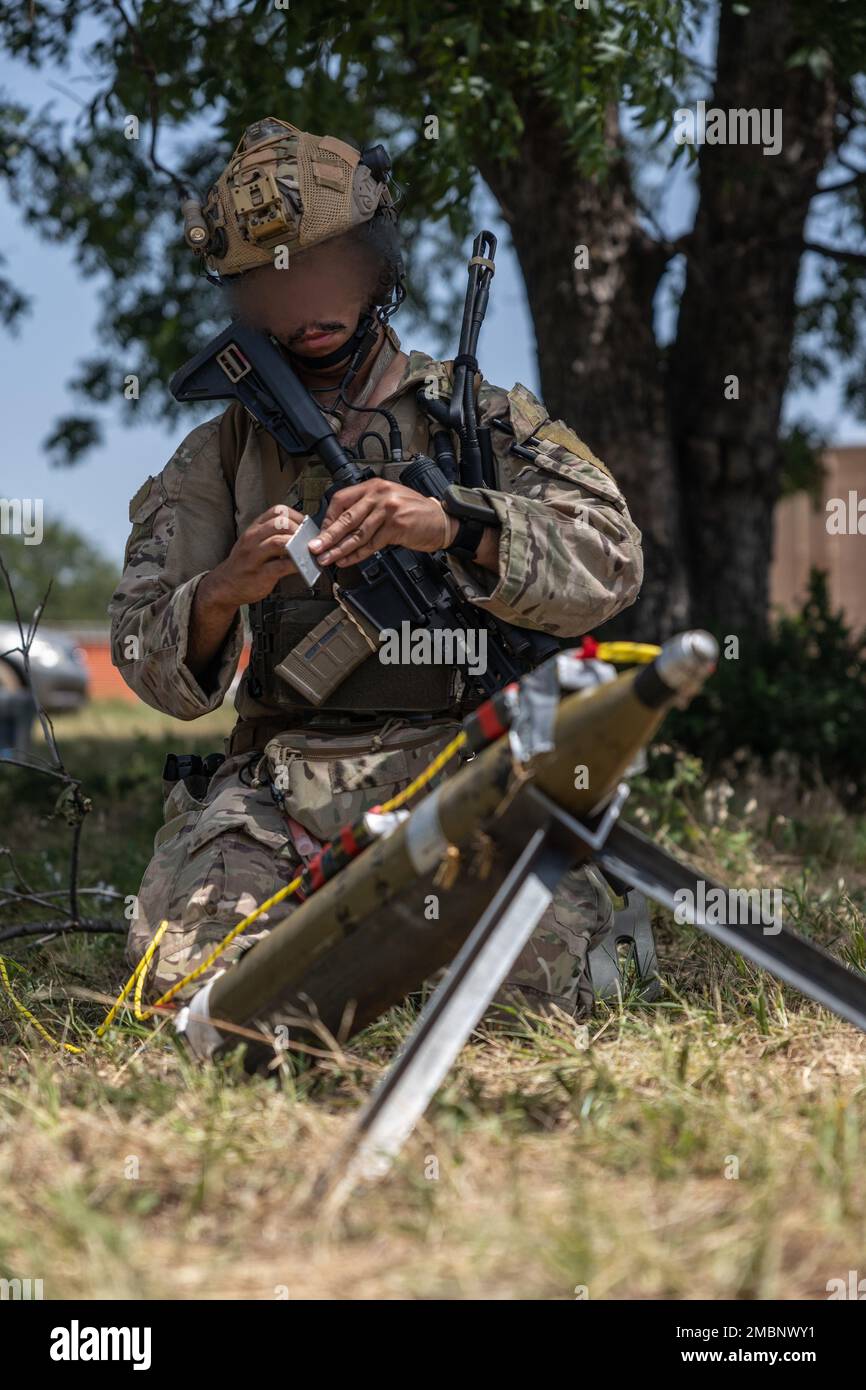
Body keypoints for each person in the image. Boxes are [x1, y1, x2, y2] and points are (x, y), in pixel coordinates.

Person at [110, 117, 644, 1027]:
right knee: (197, 1002)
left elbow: (613, 562)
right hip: (283, 786)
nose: (305, 301)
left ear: (377, 263)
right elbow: (144, 655)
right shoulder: (220, 453)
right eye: (272, 282)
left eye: (330, 268)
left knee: (532, 1006)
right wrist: (223, 591)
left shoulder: (478, 416)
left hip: (464, 769)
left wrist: (452, 525)